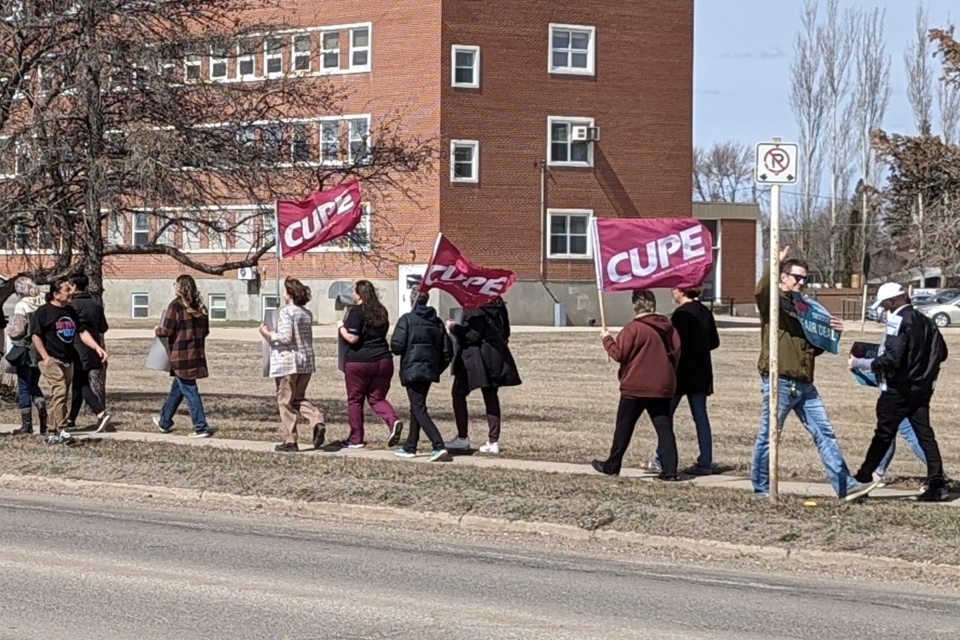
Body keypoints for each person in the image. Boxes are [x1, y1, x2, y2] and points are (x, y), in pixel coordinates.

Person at [752, 246, 879, 502]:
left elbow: (811, 347)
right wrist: (774, 264)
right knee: (769, 435)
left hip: (805, 383)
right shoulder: (773, 303)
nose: (801, 282)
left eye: (805, 279)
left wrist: (829, 334)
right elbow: (761, 291)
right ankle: (761, 487)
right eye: (796, 277)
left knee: (825, 433)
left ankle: (846, 487)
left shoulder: (806, 307)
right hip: (780, 380)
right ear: (784, 277)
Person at [848, 282, 949, 502]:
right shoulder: (927, 322)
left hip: (897, 390)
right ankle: (937, 483)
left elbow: (892, 358)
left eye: (885, 305)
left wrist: (860, 363)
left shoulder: (897, 320)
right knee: (925, 436)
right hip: (921, 389)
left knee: (883, 435)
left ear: (893, 301)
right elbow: (942, 353)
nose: (885, 309)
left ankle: (863, 480)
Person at [592, 289, 682, 480]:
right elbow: (676, 354)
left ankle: (612, 465)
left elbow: (618, 354)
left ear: (635, 306)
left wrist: (606, 339)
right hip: (662, 385)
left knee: (624, 427)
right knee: (664, 428)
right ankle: (670, 471)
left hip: (635, 386)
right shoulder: (669, 328)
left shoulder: (633, 328)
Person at [651, 286, 720, 476]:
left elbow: (673, 345)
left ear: (682, 291)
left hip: (680, 374)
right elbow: (714, 342)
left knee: (665, 417)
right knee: (700, 417)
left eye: (674, 288)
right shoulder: (705, 311)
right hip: (701, 373)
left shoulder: (680, 315)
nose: (672, 291)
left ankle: (661, 458)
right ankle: (705, 461)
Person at [444, 296, 521, 455]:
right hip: (495, 356)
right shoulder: (499, 307)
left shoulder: (474, 307)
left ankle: (462, 437)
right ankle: (493, 441)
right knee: (491, 396)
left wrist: (454, 327)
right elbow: (506, 332)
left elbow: (472, 336)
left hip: (474, 358)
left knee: (458, 393)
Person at [30, 278, 108, 434]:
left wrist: (97, 347)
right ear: (56, 294)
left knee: (62, 394)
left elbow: (81, 332)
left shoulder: (70, 311)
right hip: (51, 358)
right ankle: (59, 429)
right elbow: (35, 335)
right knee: (59, 390)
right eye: (67, 290)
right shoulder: (43, 312)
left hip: (68, 358)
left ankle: (53, 428)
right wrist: (45, 358)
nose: (71, 292)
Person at [260, 277, 325, 453]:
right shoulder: (306, 312)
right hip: (306, 361)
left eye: (285, 291)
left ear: (289, 294)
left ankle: (291, 440)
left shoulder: (286, 312)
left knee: (284, 401)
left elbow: (285, 337)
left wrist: (267, 333)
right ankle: (316, 419)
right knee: (297, 398)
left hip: (287, 362)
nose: (283, 294)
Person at [337, 280, 403, 449]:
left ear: (359, 294)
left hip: (360, 361)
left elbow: (353, 338)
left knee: (355, 400)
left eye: (354, 291)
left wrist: (341, 328)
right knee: (377, 398)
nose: (352, 294)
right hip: (383, 360)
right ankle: (392, 420)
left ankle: (356, 438)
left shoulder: (356, 312)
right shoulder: (382, 311)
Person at [391, 290, 454, 462]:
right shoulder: (437, 322)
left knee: (418, 407)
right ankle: (411, 445)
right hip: (428, 370)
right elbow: (447, 352)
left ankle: (438, 444)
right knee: (416, 406)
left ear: (412, 301)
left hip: (413, 369)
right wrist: (435, 368)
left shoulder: (407, 319)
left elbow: (396, 346)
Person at [153, 275, 212, 438]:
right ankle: (164, 421)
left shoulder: (176, 306)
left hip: (181, 356)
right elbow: (205, 331)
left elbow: (166, 332)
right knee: (177, 389)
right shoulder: (200, 307)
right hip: (196, 354)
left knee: (190, 391)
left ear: (179, 287)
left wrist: (157, 329)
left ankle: (201, 426)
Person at [65, 273, 111, 432]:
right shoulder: (95, 302)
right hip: (94, 346)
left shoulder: (71, 305)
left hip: (78, 347)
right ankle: (71, 419)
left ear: (74, 286)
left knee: (81, 383)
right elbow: (103, 327)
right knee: (79, 383)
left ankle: (100, 411)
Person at [6, 278, 47, 435]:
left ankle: (26, 425)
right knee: (34, 383)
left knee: (23, 386)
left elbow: (19, 330)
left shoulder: (21, 305)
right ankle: (42, 409)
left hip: (25, 349)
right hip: (40, 349)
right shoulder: (42, 301)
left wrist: (10, 329)